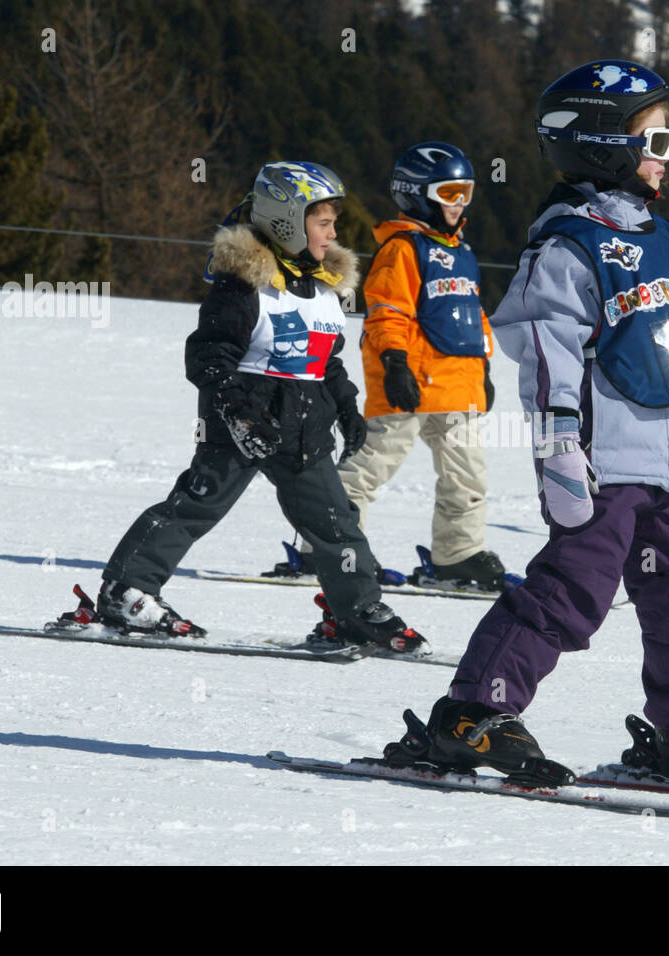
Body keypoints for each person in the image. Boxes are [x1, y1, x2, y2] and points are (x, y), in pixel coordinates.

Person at [411, 61, 669, 787]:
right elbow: (545, 353)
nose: (665, 156)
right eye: (655, 140)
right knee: (571, 591)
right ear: (601, 144)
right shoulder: (568, 247)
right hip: (605, 463)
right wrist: (558, 448)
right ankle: (472, 714)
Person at [94, 160, 423, 653]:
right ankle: (128, 590)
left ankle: (356, 611)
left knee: (337, 523)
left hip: (304, 431)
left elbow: (326, 361)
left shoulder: (325, 288)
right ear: (288, 220)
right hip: (240, 422)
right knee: (197, 505)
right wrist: (239, 413)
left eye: (333, 223)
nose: (333, 234)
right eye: (323, 222)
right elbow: (208, 356)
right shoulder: (244, 286)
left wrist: (348, 408)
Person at [279, 142, 510, 591]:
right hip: (409, 381)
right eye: (450, 192)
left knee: (468, 476)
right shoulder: (402, 250)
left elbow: (472, 313)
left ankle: (456, 555)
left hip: (458, 385)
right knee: (368, 468)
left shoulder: (461, 250)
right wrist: (394, 362)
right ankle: (327, 547)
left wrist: (483, 366)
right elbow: (387, 310)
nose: (460, 202)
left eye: (466, 191)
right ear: (418, 194)